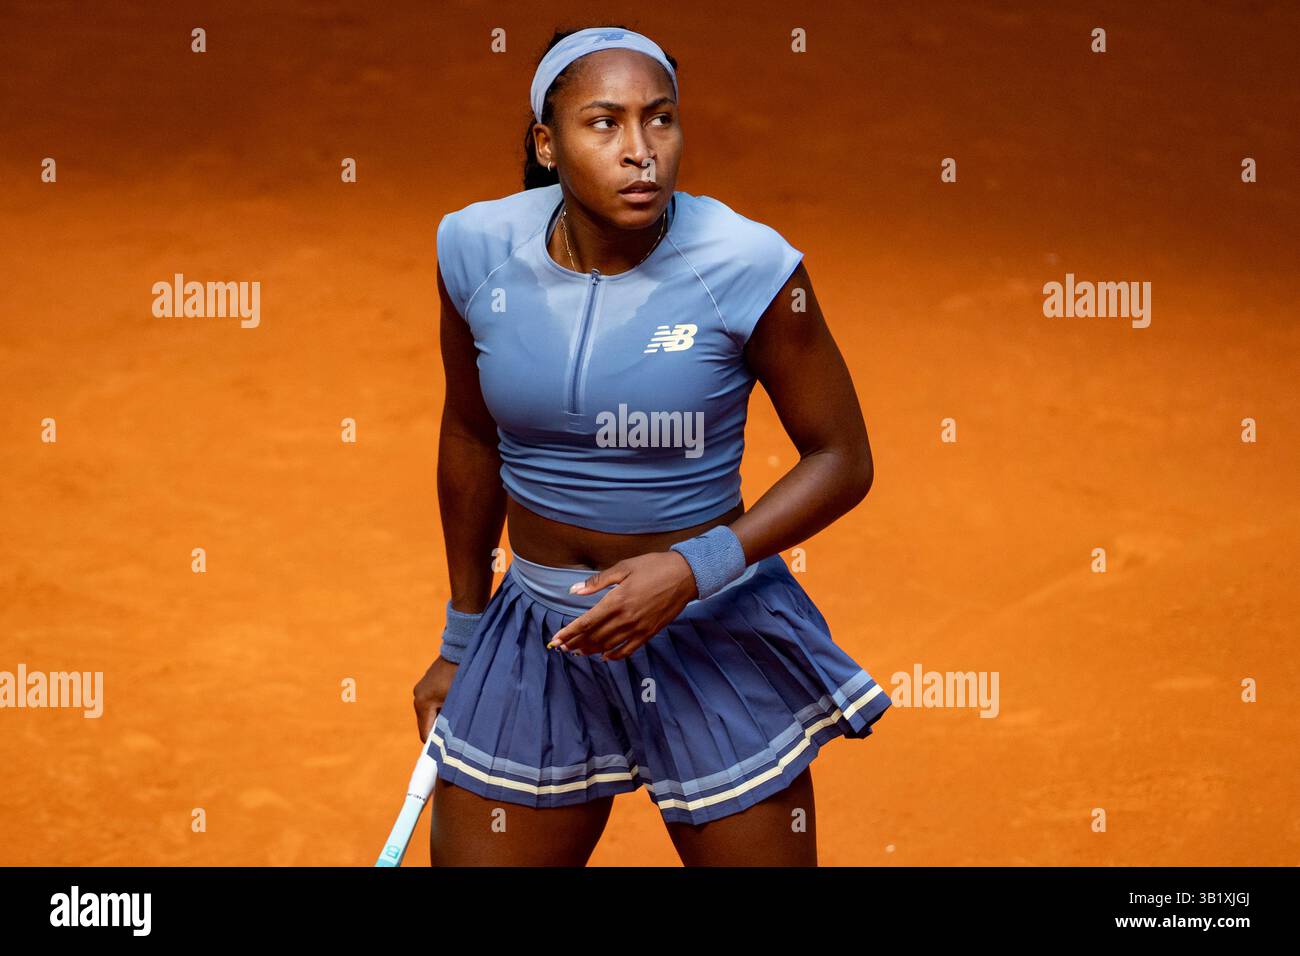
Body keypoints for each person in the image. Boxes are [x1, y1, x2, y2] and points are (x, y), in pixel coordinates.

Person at [413, 24, 891, 867]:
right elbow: (468, 432)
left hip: (708, 628)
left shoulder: (750, 265)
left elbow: (842, 458)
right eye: (604, 123)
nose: (641, 152)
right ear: (546, 144)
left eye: (660, 120)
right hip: (537, 637)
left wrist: (694, 567)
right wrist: (461, 639)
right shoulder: (476, 248)